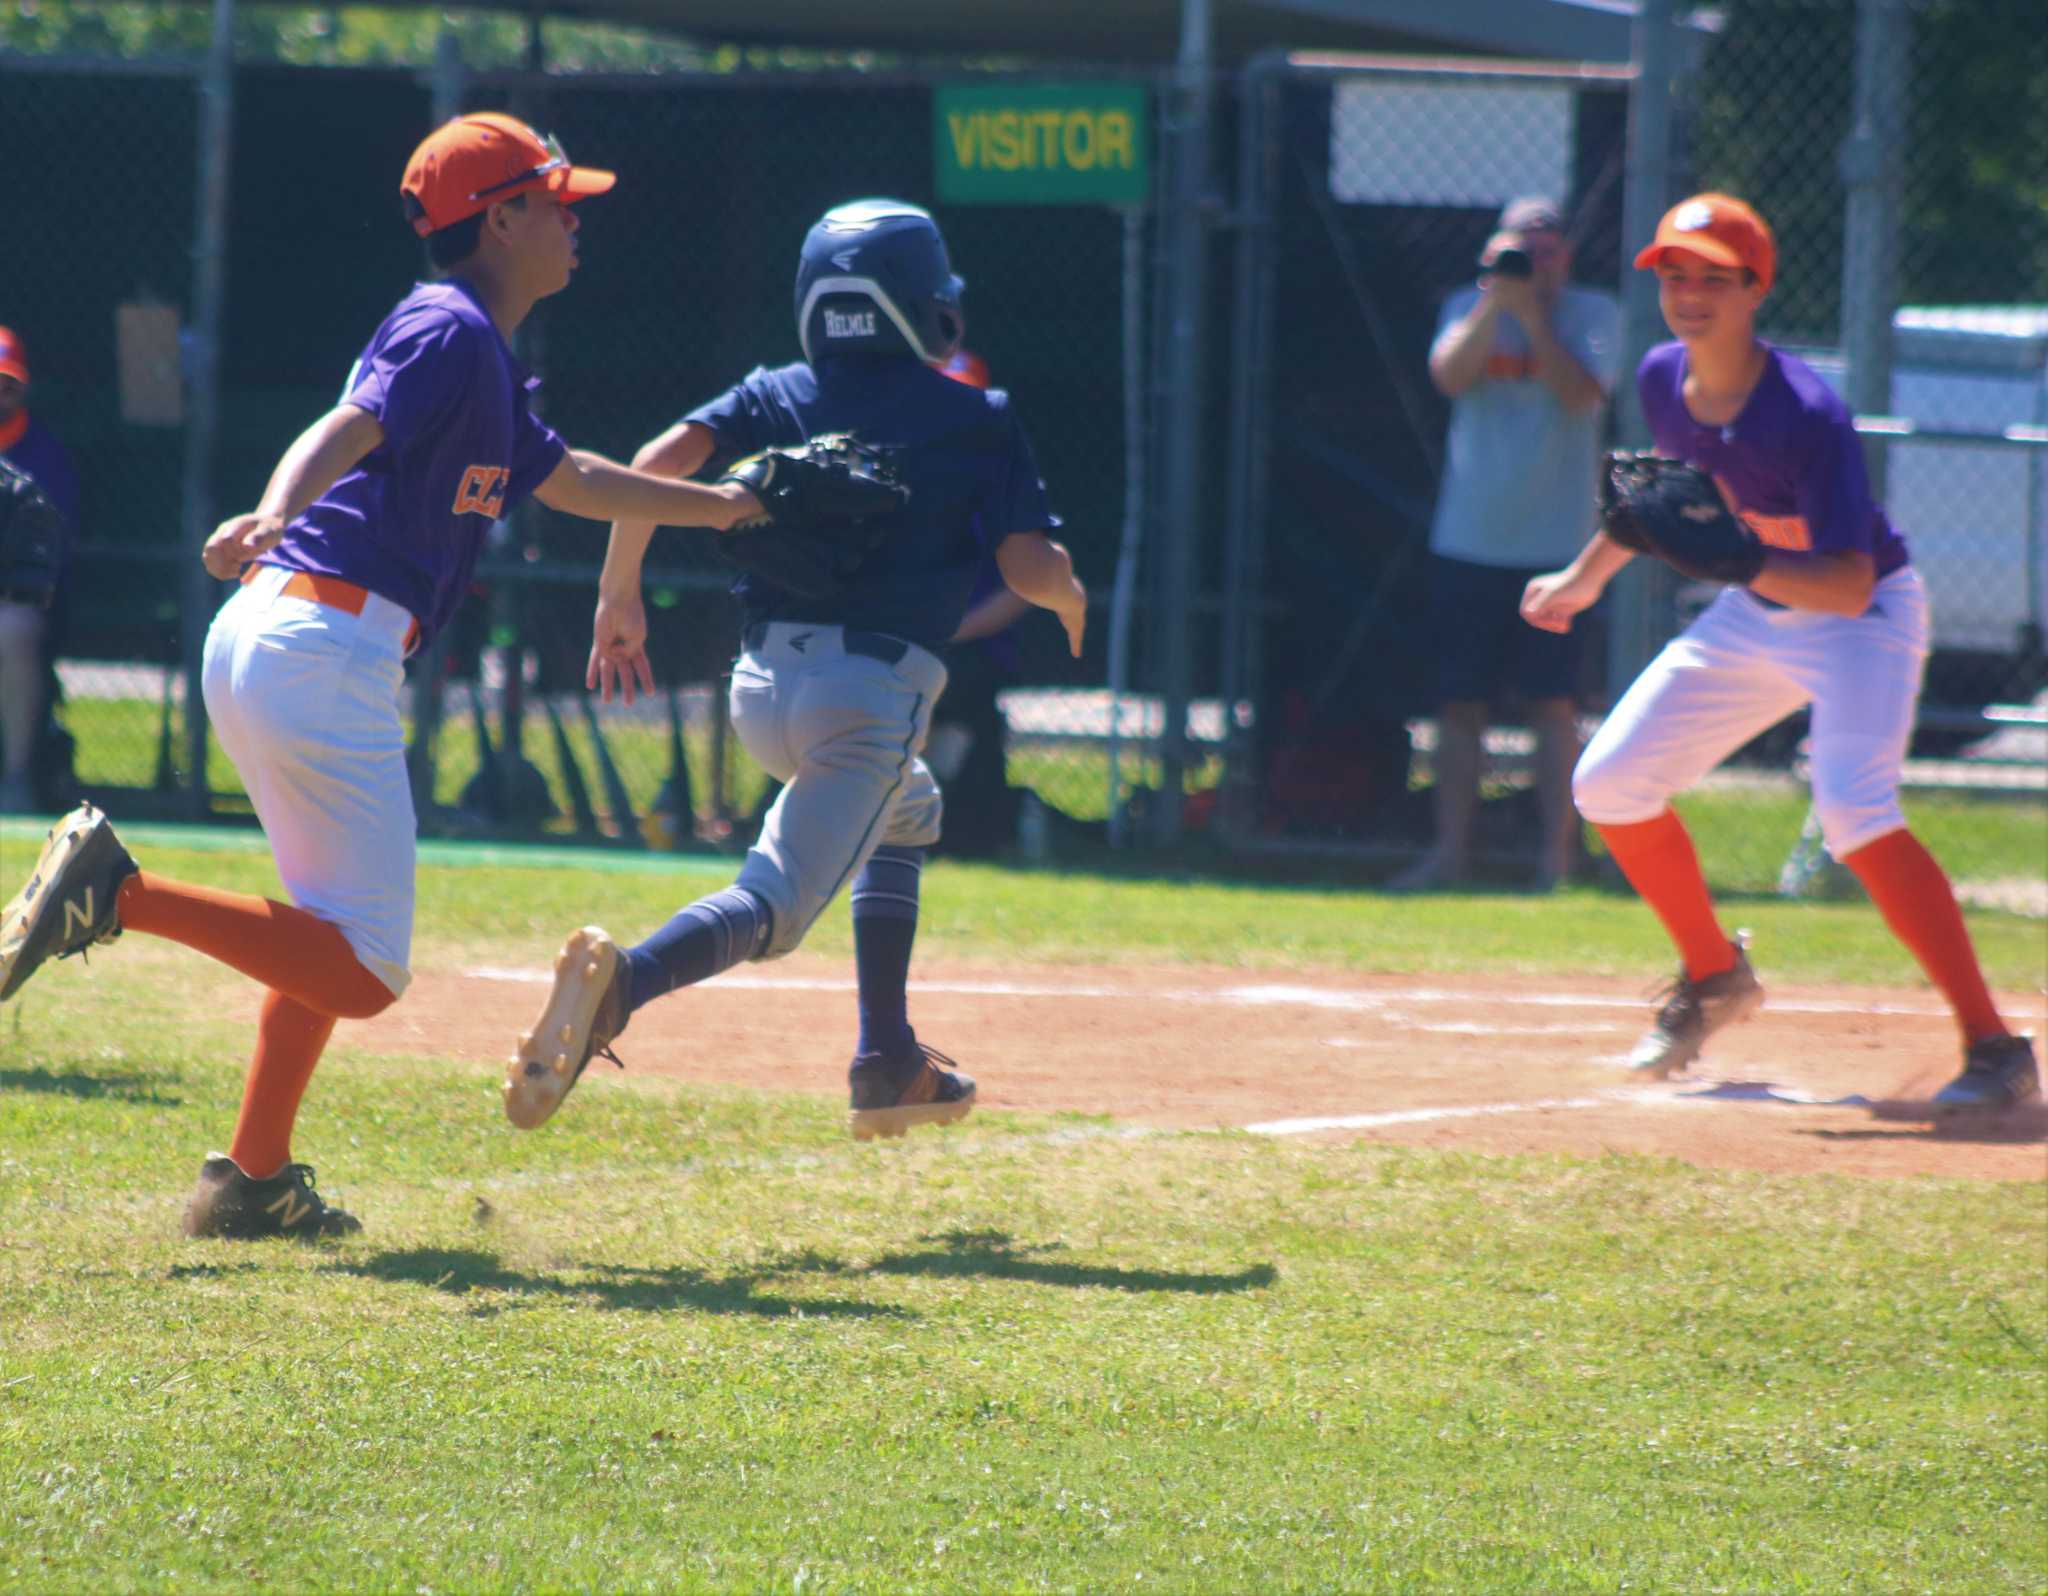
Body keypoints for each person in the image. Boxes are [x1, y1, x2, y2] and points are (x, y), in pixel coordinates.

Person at [0, 113, 791, 1238]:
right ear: (501, 219)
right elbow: (350, 424)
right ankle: (115, 893)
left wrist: (723, 508)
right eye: (555, 201)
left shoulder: (485, 359)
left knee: (328, 931)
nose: (574, 222)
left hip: (298, 642)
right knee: (366, 970)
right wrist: (274, 509)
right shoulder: (447, 326)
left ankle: (251, 1180)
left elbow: (574, 481)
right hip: (319, 642)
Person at [507, 198, 1087, 1141]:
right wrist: (1070, 597)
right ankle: (625, 985)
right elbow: (1029, 566)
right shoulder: (974, 413)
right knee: (771, 906)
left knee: (910, 805)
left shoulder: (775, 388)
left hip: (761, 689)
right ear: (924, 302)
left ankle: (887, 1061)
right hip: (869, 699)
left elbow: (657, 461)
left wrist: (619, 591)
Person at [1520, 192, 2039, 1113]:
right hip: (1755, 613)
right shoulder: (1661, 377)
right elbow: (1658, 508)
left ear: (1756, 288)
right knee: (1609, 784)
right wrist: (1583, 576)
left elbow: (1848, 583)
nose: (1690, 294)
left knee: (1854, 811)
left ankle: (1994, 1047)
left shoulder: (1806, 411)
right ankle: (1715, 975)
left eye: (1714, 278)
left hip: (1863, 619)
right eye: (1675, 276)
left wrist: (1743, 560)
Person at [1392, 197, 1621, 892]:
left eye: (1546, 251)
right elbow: (1449, 377)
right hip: (1469, 541)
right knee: (1459, 706)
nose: (1534, 264)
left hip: (1558, 552)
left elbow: (1580, 396)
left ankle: (1557, 864)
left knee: (1554, 707)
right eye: (1520, 251)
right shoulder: (1468, 306)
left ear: (1567, 257)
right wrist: (1499, 301)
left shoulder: (1596, 314)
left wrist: (1535, 319)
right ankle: (1449, 858)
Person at [0, 326, 81, 814]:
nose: (0, 393)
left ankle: (14, 777)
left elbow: (44, 555)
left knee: (12, 628)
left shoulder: (44, 457)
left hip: (13, 600)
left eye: (8, 383)